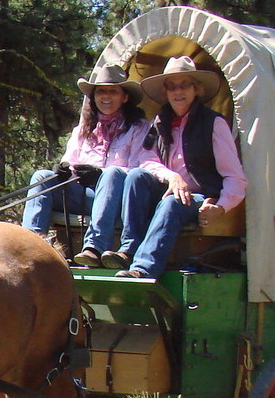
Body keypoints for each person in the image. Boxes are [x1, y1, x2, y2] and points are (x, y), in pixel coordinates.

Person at [114, 55, 247, 279]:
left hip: (199, 197)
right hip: (169, 189)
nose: (178, 92)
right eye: (172, 87)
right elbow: (145, 159)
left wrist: (220, 208)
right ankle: (128, 250)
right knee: (136, 176)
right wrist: (171, 177)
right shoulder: (159, 122)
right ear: (166, 92)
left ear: (196, 90)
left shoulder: (213, 123)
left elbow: (235, 178)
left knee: (174, 201)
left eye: (184, 85)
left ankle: (143, 269)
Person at [20, 65, 155, 268]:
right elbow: (70, 161)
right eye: (101, 91)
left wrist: (98, 175)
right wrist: (65, 171)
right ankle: (29, 244)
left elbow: (141, 168)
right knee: (41, 176)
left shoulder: (139, 128)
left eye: (113, 91)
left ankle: (94, 247)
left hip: (118, 200)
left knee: (112, 174)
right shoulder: (83, 129)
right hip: (84, 196)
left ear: (125, 97)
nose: (106, 96)